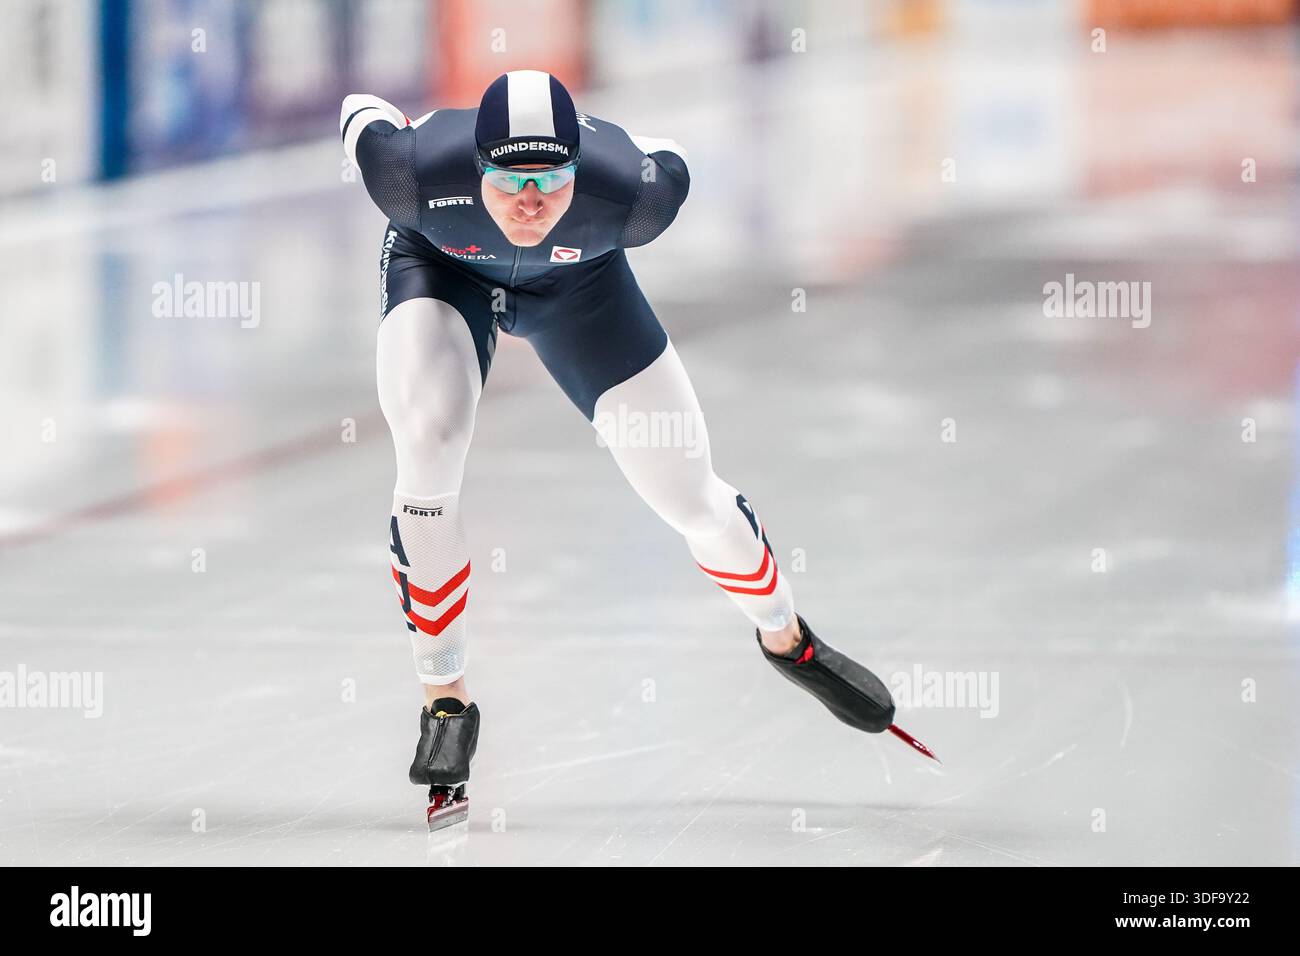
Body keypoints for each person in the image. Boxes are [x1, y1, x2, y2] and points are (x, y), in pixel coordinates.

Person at [340, 70, 912, 830]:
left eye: (551, 179)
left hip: (582, 288)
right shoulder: (407, 172)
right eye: (510, 179)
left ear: (582, 170)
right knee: (430, 441)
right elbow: (360, 109)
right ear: (475, 167)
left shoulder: (637, 198)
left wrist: (613, 147)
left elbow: (664, 151)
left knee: (687, 493)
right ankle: (445, 699)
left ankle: (787, 638)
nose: (532, 203)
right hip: (441, 268)